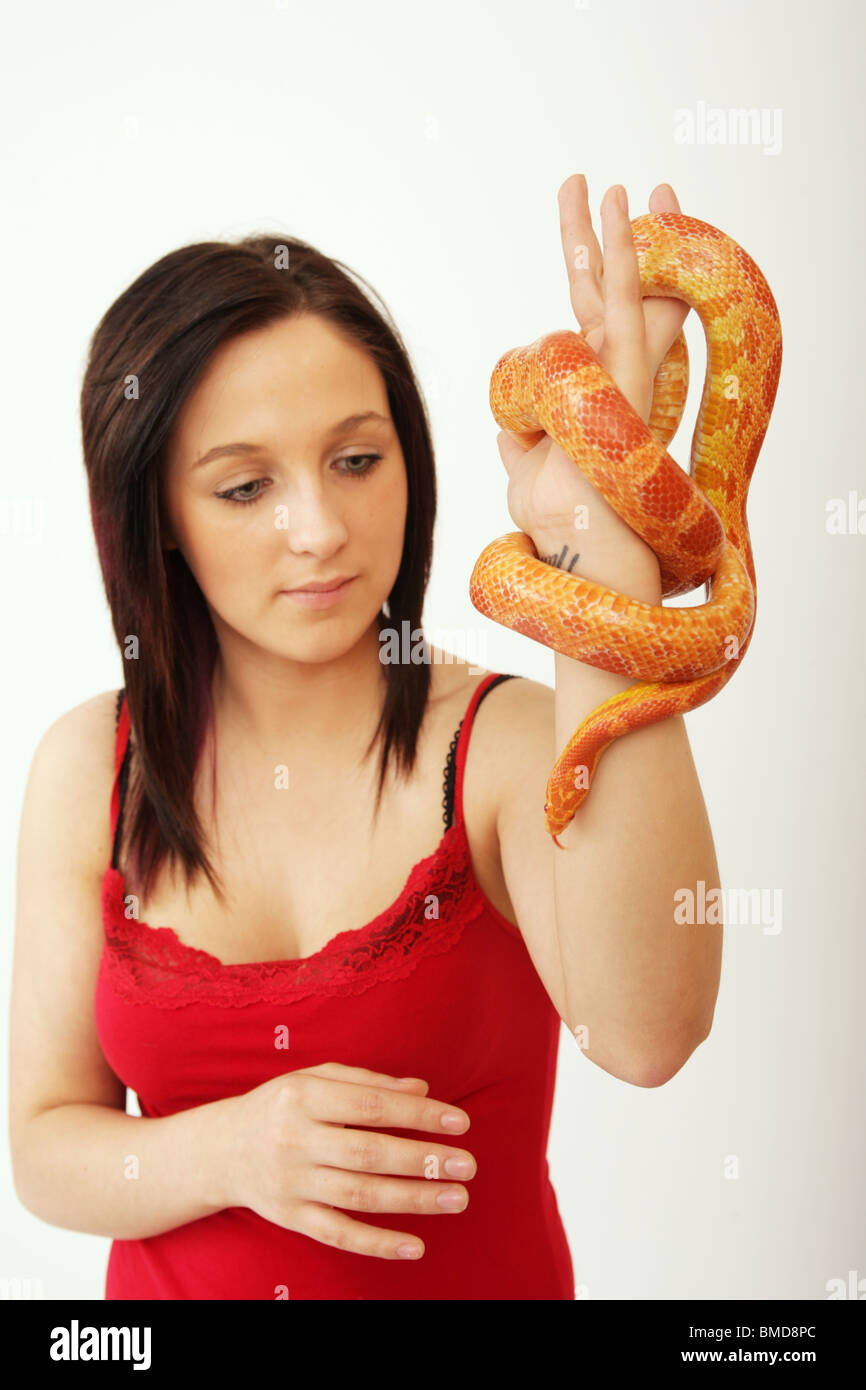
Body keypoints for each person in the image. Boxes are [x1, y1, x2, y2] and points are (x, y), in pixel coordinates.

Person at [10, 175, 722, 1299]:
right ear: (162, 518)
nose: (321, 530)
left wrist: (601, 528)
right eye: (245, 487)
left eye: (355, 460)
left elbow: (648, 1034)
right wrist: (230, 1149)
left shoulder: (502, 746)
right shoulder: (88, 768)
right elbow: (45, 1146)